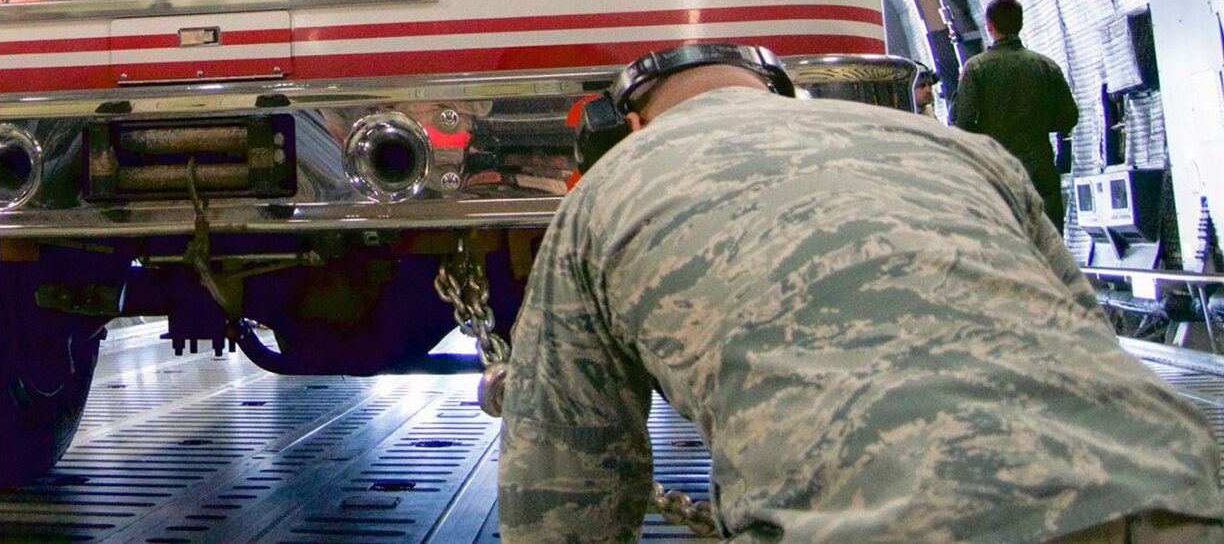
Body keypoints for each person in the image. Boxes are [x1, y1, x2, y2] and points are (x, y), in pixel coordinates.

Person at [500, 42, 1224, 543]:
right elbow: (1083, 326)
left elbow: (564, 485)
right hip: (1170, 499)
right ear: (784, 94)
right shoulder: (964, 150)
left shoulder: (604, 196)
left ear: (626, 123)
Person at [953, 0, 1080, 229]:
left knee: (1006, 244)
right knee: (1048, 243)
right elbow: (1068, 117)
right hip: (1040, 169)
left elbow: (961, 123)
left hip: (997, 171)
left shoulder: (976, 68)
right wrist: (1038, 124)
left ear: (989, 26)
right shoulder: (1046, 66)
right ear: (1020, 23)